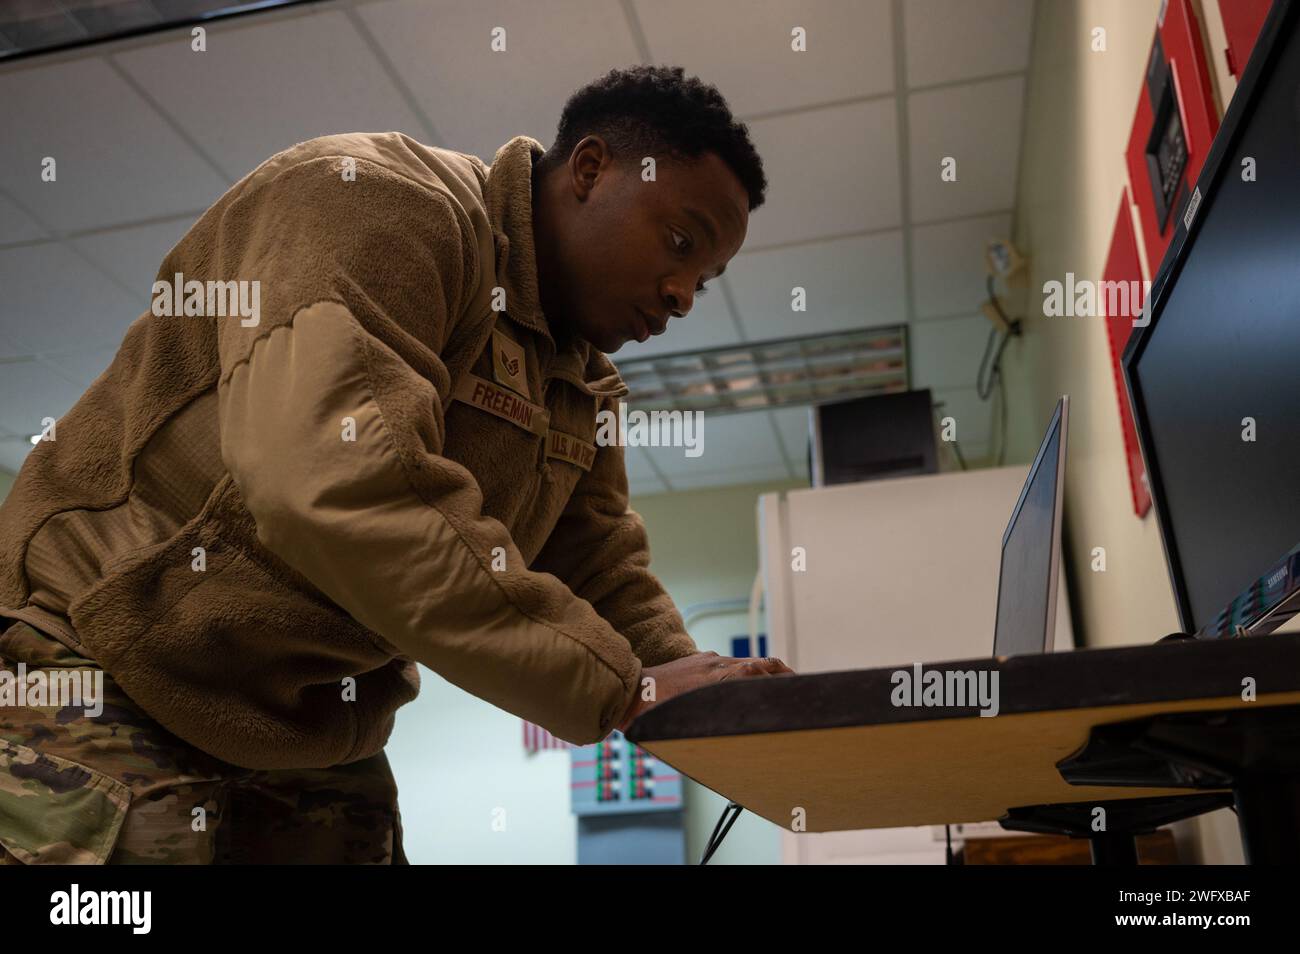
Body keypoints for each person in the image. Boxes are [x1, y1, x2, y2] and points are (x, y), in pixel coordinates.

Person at [0, 64, 792, 865]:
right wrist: (623, 692)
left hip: (308, 721)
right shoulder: (375, 202)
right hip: (102, 657)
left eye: (707, 277)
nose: (685, 294)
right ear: (591, 169)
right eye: (681, 243)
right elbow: (334, 484)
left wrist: (694, 693)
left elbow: (596, 562)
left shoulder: (580, 379)